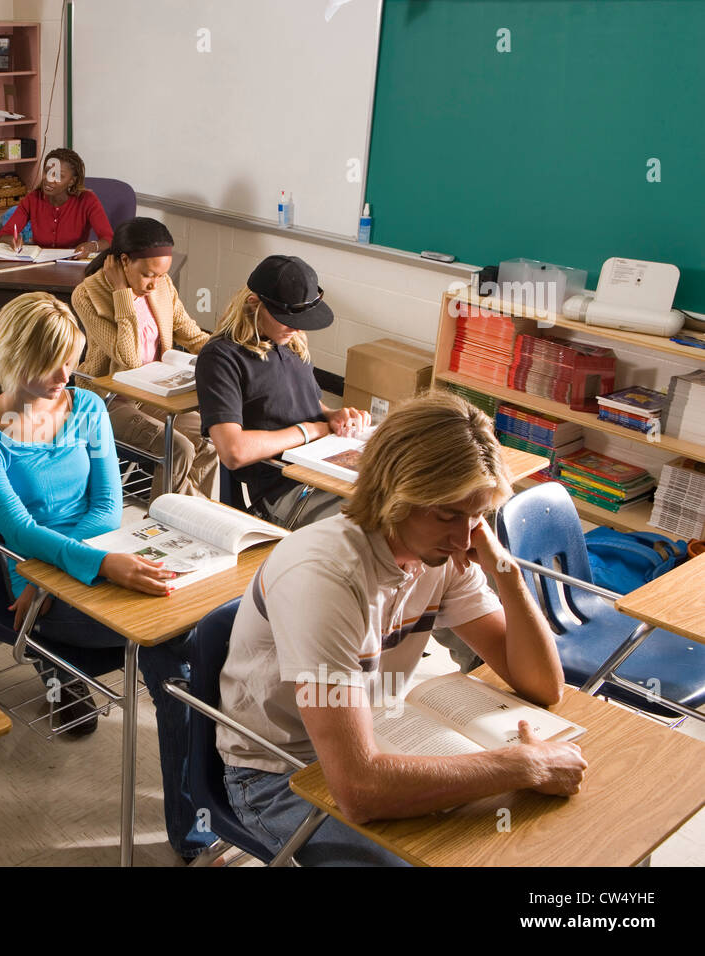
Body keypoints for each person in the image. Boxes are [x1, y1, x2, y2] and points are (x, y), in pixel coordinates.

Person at [218, 391, 585, 865]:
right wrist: (521, 765)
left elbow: (542, 685)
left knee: (535, 841)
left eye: (477, 515)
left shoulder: (447, 551)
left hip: (378, 733)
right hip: (279, 773)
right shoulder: (325, 575)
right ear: (396, 493)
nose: (464, 536)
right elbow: (360, 790)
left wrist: (507, 573)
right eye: (448, 514)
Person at [0, 291, 210, 859]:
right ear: (13, 357)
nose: (63, 375)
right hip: (36, 585)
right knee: (174, 650)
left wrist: (94, 561)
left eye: (71, 359)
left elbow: (106, 507)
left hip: (86, 561)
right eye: (50, 362)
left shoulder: (87, 408)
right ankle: (194, 823)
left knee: (189, 640)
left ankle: (201, 807)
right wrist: (86, 567)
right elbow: (19, 535)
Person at [195, 255, 370, 524]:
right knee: (375, 521)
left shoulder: (291, 343)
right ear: (254, 303)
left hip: (320, 472)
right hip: (287, 490)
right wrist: (310, 430)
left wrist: (331, 415)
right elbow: (233, 452)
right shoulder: (221, 357)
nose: (297, 327)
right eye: (286, 318)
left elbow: (293, 402)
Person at [72, 216, 215, 499]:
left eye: (162, 275)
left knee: (210, 442)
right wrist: (122, 294)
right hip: (106, 400)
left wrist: (231, 355)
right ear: (124, 261)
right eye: (149, 274)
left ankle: (200, 520)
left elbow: (192, 334)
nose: (155, 284)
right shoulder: (87, 294)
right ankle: (165, 526)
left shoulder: (162, 287)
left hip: (153, 394)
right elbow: (129, 359)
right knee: (179, 449)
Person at [0, 148, 113, 256]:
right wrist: (10, 239)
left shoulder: (87, 200)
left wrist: (92, 246)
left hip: (74, 266)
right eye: (47, 172)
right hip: (40, 267)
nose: (49, 179)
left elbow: (108, 239)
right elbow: (2, 234)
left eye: (58, 176)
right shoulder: (32, 199)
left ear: (71, 181)